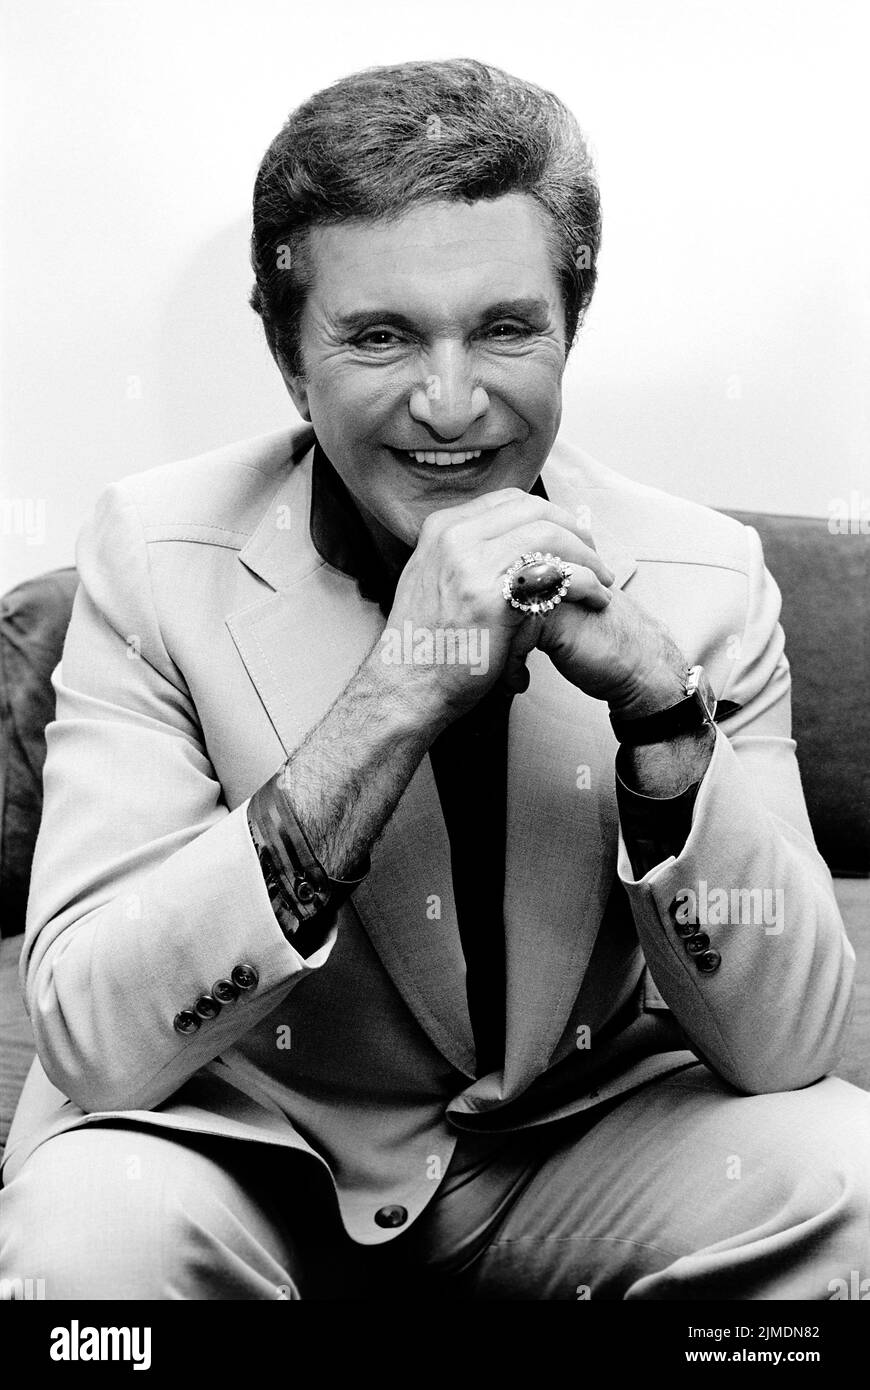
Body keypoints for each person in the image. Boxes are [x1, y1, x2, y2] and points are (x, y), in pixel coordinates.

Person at [1, 58, 867, 1301]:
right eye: (380, 336)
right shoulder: (152, 557)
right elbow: (95, 1036)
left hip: (571, 1146)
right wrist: (400, 689)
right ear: (289, 356)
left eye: (506, 329)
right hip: (248, 1147)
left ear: (570, 326)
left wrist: (663, 716)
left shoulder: (704, 577)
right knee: (89, 1232)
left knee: (852, 1185)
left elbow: (787, 1047)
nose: (450, 405)